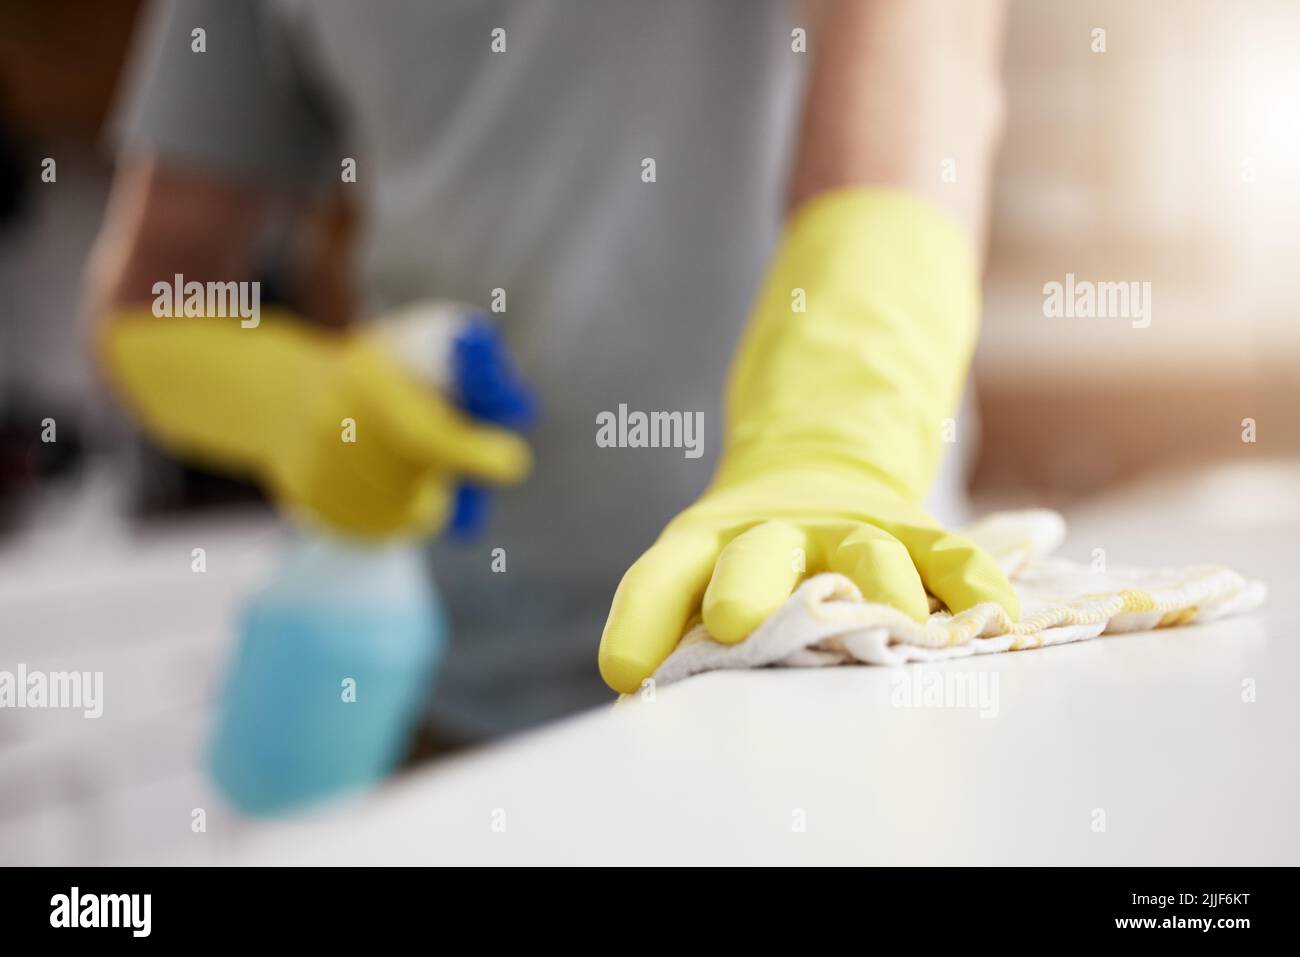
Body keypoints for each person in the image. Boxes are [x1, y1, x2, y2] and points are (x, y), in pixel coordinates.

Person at [86, 0, 1018, 739]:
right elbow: (153, 291)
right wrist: (300, 404)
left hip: (836, 662)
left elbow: (925, 62)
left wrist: (835, 439)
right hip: (446, 698)